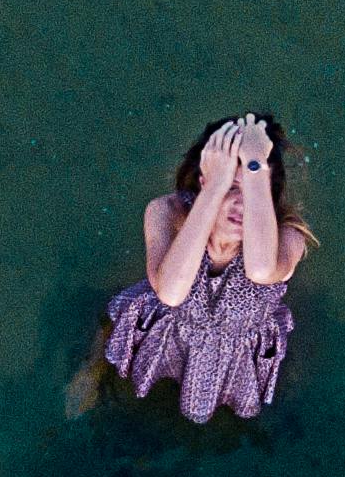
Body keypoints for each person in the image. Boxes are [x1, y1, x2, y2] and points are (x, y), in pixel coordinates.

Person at [62, 110, 313, 424]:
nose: (242, 204)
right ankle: (94, 368)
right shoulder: (168, 212)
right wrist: (214, 187)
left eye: (253, 187)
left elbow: (261, 271)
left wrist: (256, 165)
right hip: (164, 328)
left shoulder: (288, 236)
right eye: (230, 188)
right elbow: (169, 292)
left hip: (233, 353)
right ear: (206, 180)